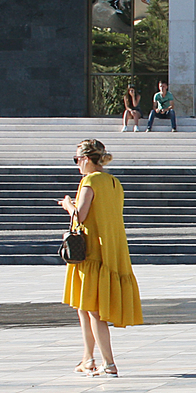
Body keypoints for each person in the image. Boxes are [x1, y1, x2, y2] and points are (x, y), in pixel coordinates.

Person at [59, 138, 142, 376]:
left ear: (86, 159)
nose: (77, 165)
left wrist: (67, 205)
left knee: (93, 310)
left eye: (77, 160)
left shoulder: (90, 180)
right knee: (84, 308)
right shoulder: (113, 182)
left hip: (91, 252)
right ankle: (87, 358)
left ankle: (109, 362)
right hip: (110, 248)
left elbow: (81, 216)